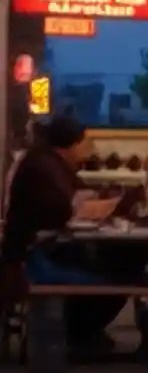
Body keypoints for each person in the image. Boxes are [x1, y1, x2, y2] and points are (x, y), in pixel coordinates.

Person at [0, 115, 133, 353]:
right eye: (85, 142)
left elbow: (73, 202)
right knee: (114, 281)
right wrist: (100, 206)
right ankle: (79, 336)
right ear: (72, 143)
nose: (89, 148)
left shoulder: (47, 162)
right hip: (33, 258)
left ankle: (82, 334)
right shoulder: (45, 166)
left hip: (37, 251)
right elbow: (62, 210)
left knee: (115, 269)